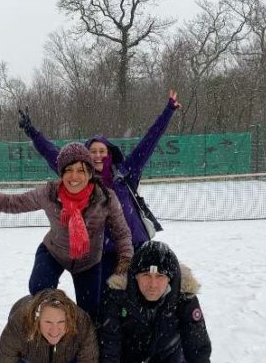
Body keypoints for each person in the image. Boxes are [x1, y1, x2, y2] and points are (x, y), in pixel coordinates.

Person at [0, 142, 132, 320]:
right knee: (40, 289)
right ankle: (56, 322)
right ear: (61, 173)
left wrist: (125, 261)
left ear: (89, 173)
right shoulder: (49, 193)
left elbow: (122, 234)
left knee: (90, 314)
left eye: (81, 170)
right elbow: (11, 203)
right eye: (68, 170)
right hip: (54, 252)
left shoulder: (105, 198)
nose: (74, 176)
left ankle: (76, 327)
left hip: (88, 261)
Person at [19, 90, 181, 282]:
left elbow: (149, 141)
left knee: (140, 292)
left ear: (109, 153)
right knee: (104, 297)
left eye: (102, 151)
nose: (98, 155)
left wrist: (169, 111)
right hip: (102, 254)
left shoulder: (126, 172)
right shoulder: (79, 177)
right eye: (93, 151)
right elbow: (52, 154)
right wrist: (33, 132)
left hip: (135, 246)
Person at [97, 241, 226, 363]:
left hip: (166, 349)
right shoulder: (117, 295)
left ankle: (171, 362)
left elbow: (199, 351)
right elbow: (109, 351)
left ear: (170, 278)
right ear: (134, 275)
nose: (153, 284)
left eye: (160, 276)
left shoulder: (185, 297)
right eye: (146, 275)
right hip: (130, 350)